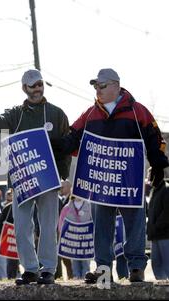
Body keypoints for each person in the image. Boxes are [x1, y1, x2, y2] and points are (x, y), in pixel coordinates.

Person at [52, 68, 169, 283]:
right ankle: (103, 269)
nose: (98, 90)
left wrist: (159, 165)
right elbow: (73, 136)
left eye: (102, 86)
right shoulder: (90, 114)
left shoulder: (138, 111)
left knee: (135, 224)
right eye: (96, 86)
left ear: (116, 85)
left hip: (129, 182)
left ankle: (136, 268)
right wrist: (55, 144)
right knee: (102, 225)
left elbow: (155, 139)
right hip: (101, 183)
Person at [0, 69, 72, 285]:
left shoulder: (56, 113)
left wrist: (64, 176)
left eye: (39, 84)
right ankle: (30, 270)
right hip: (22, 179)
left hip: (49, 180)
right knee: (21, 227)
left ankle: (48, 269)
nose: (37, 89)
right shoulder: (16, 113)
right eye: (32, 86)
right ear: (24, 88)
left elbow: (66, 147)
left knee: (48, 226)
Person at [58, 196, 92, 279]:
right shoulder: (67, 207)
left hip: (86, 240)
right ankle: (76, 279)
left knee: (86, 263)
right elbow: (61, 223)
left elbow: (93, 220)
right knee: (75, 263)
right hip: (72, 240)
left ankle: (86, 280)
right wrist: (62, 235)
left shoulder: (89, 205)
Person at [147, 168, 169, 280]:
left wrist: (156, 226)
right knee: (157, 266)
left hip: (165, 236)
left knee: (166, 266)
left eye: (149, 175)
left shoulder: (166, 189)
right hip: (155, 236)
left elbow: (167, 213)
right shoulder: (154, 191)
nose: (148, 178)